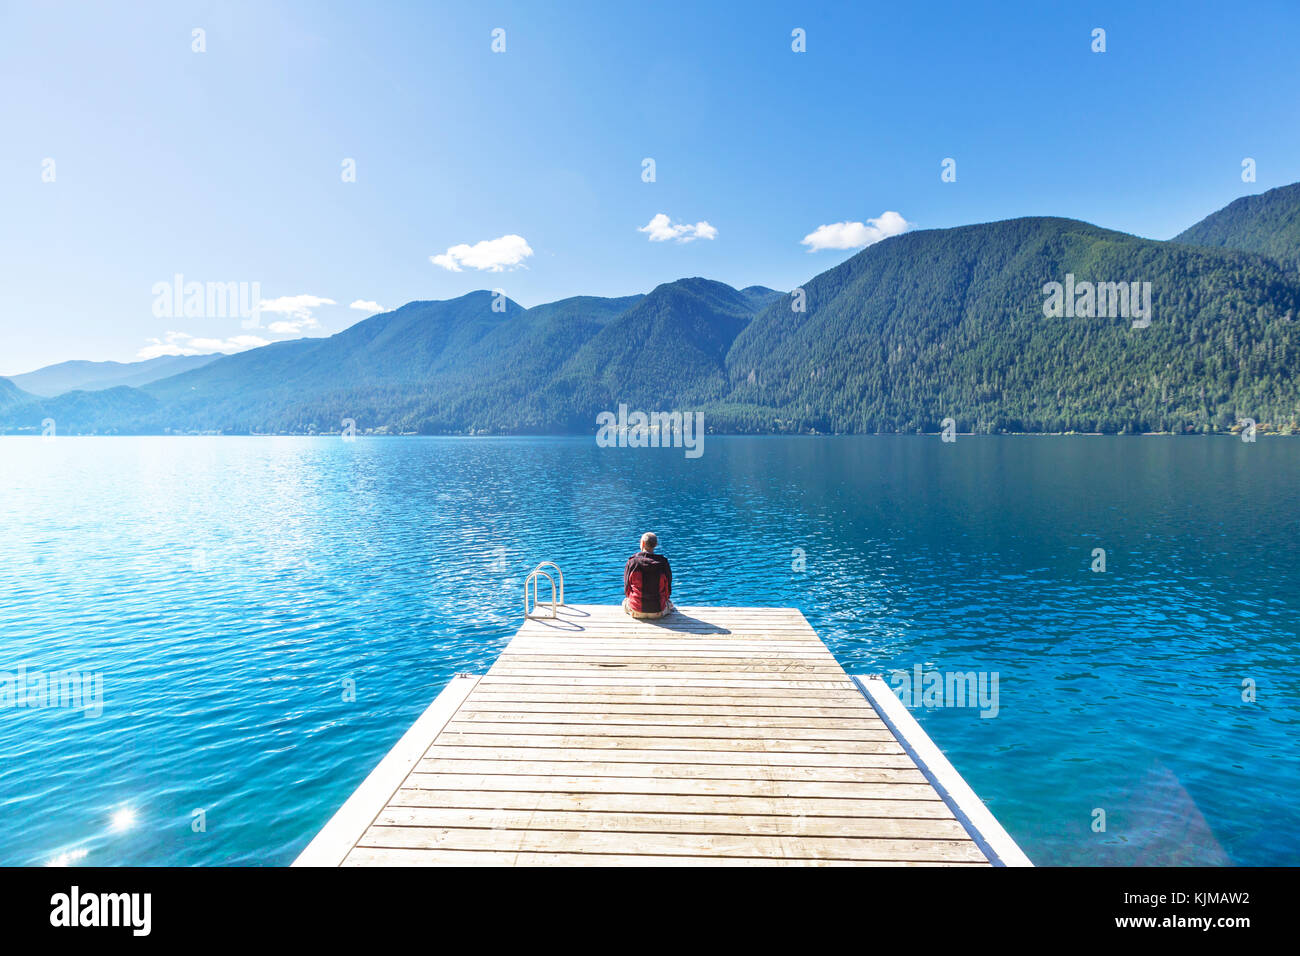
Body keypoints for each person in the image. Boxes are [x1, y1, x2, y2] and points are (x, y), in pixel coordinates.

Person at [623, 532, 674, 619]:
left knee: (625, 601)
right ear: (656, 545)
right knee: (671, 604)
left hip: (636, 611)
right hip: (658, 611)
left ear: (642, 543)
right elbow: (667, 588)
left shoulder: (632, 562)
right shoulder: (663, 563)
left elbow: (627, 588)